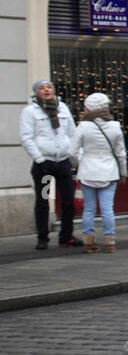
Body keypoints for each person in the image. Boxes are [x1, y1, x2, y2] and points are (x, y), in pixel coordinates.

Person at [19, 79, 80, 249]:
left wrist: (75, 155)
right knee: (44, 200)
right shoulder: (30, 111)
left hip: (63, 162)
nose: (46, 90)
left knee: (68, 200)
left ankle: (66, 237)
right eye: (42, 88)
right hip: (44, 164)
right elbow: (26, 137)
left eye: (48, 87)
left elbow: (72, 133)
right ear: (36, 92)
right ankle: (43, 238)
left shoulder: (63, 108)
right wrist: (39, 159)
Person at [73, 92, 128, 253]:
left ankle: (88, 242)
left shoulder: (83, 126)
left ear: (89, 108)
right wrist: (123, 172)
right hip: (108, 172)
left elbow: (71, 151)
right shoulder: (115, 126)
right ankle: (109, 242)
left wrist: (79, 163)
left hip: (87, 171)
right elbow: (121, 153)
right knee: (107, 209)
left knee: (89, 209)